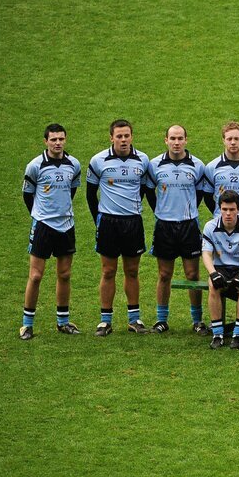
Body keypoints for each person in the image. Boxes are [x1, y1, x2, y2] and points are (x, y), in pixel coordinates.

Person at [86, 119, 152, 335]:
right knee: (108, 271)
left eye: (127, 136)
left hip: (133, 222)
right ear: (111, 137)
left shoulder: (143, 160)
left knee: (132, 271)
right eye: (119, 136)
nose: (123, 140)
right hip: (108, 223)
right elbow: (90, 194)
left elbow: (144, 189)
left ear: (132, 136)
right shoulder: (98, 161)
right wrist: (99, 218)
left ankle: (134, 319)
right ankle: (105, 320)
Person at [20, 123, 82, 340]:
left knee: (64, 274)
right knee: (36, 276)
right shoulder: (35, 166)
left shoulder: (73, 165)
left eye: (61, 139)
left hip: (66, 225)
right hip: (43, 226)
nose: (58, 143)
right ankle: (27, 324)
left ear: (65, 140)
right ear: (46, 141)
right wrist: (40, 215)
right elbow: (28, 195)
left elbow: (72, 190)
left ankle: (63, 322)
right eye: (53, 139)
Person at [147, 125, 210, 335]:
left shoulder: (197, 165)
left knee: (192, 274)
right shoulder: (155, 165)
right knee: (164, 274)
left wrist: (187, 209)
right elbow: (149, 192)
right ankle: (161, 319)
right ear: (165, 140)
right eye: (172, 138)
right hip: (164, 225)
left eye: (180, 138)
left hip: (189, 225)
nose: (176, 142)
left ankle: (197, 320)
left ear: (186, 140)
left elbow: (200, 193)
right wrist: (162, 209)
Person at [200, 191, 239, 349]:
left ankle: (238, 335)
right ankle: (217, 334)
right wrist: (213, 273)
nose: (228, 213)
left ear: (238, 209)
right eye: (224, 209)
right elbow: (206, 254)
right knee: (213, 286)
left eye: (232, 209)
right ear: (219, 209)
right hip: (221, 267)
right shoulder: (210, 226)